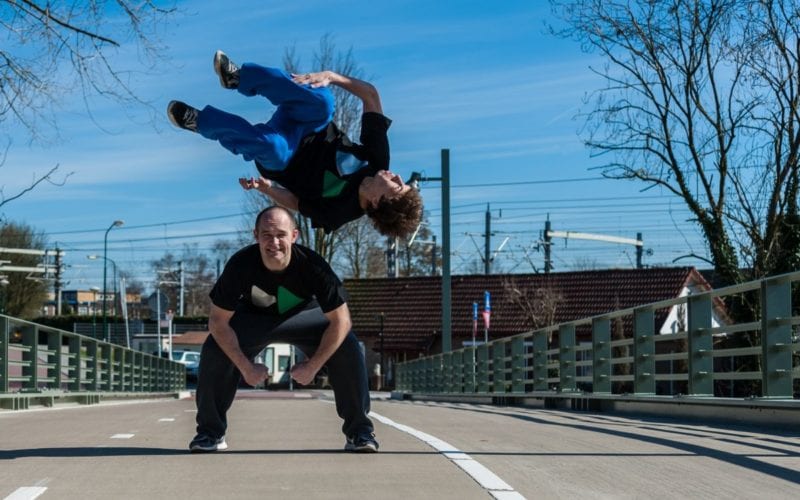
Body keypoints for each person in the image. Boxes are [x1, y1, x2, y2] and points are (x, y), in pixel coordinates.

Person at [168, 50, 422, 238]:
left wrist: (266, 189)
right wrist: (332, 77)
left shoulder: (337, 213)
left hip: (284, 157)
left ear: (379, 202)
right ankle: (239, 78)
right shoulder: (378, 160)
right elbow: (371, 95)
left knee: (271, 147)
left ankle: (200, 121)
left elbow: (296, 203)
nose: (398, 177)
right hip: (307, 122)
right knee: (324, 103)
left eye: (397, 186)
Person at [189, 205, 378, 453]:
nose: (274, 242)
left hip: (305, 318)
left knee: (347, 344)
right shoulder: (240, 265)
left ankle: (360, 432)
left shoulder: (313, 266)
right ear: (256, 235)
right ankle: (210, 434)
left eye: (280, 234)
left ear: (294, 236)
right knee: (215, 347)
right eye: (266, 235)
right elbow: (217, 321)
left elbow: (341, 320)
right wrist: (246, 367)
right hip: (254, 320)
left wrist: (313, 366)